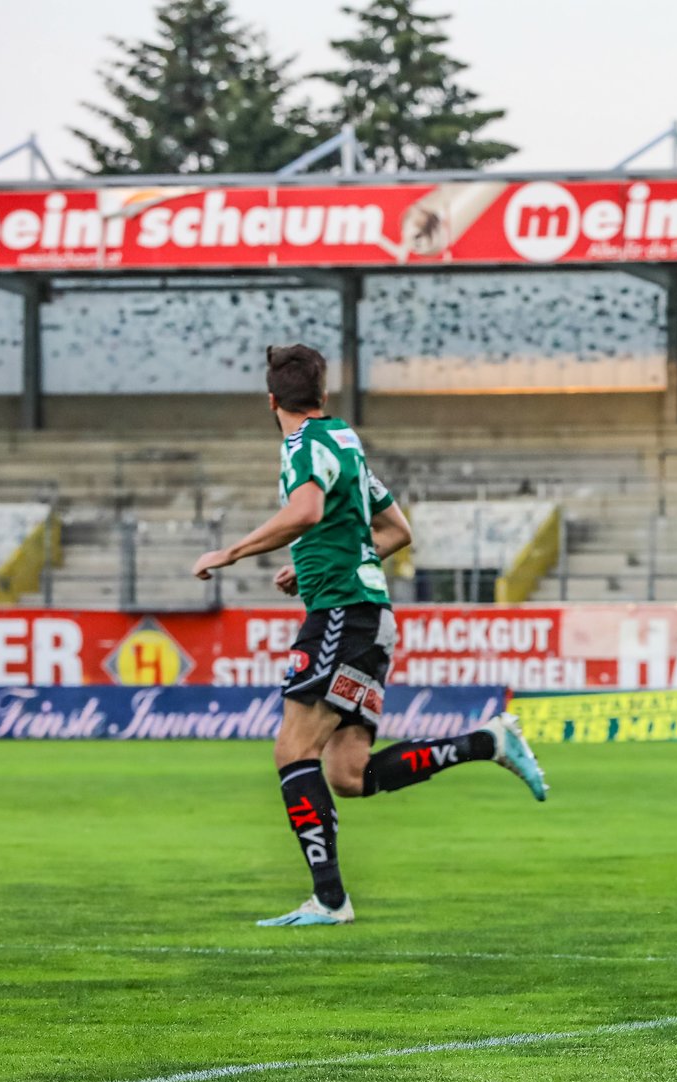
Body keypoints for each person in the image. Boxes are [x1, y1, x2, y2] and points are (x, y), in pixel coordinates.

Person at [191, 345, 547, 928]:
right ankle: (487, 742)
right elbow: (395, 530)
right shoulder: (345, 442)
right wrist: (311, 565)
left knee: (292, 750)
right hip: (368, 613)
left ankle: (330, 900)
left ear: (272, 399)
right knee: (347, 775)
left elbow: (305, 511)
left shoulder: (301, 445)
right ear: (324, 396)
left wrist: (230, 552)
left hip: (340, 615)